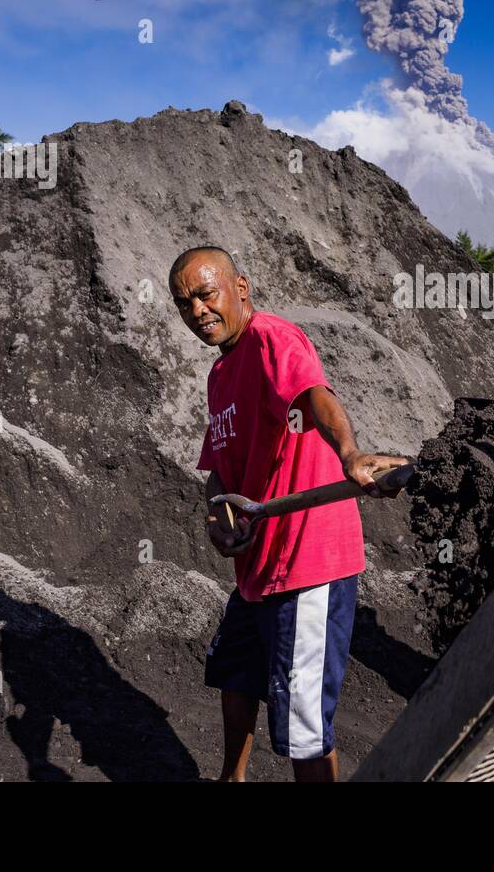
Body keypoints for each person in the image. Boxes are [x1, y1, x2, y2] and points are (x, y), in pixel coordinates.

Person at [169, 246, 407, 782]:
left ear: (241, 289)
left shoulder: (271, 339)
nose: (198, 310)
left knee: (302, 724)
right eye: (185, 304)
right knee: (236, 672)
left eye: (207, 294)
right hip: (259, 566)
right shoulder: (220, 374)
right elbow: (219, 470)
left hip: (307, 562)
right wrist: (217, 516)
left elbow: (314, 394)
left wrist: (348, 454)